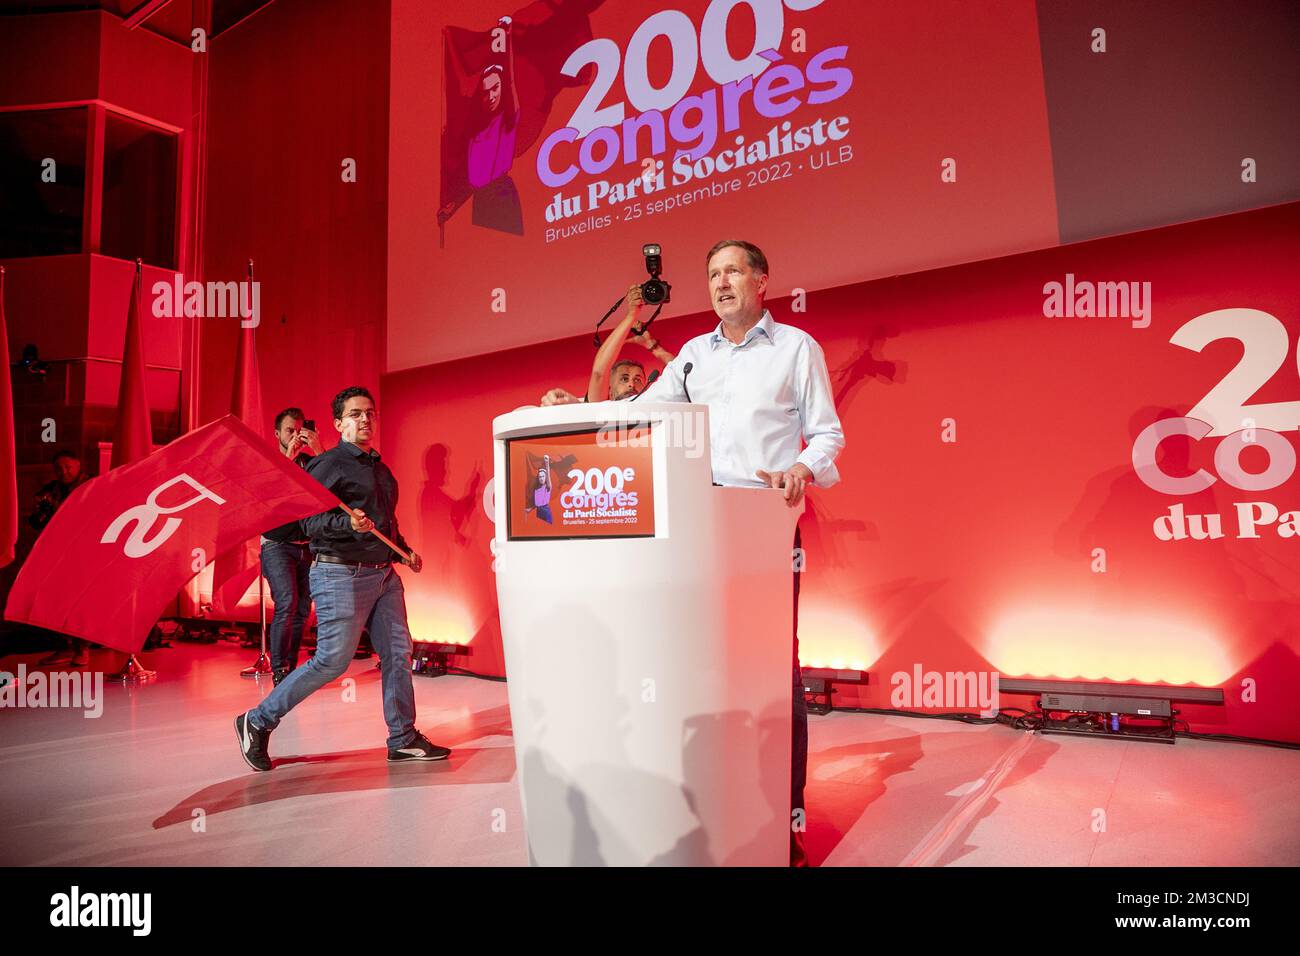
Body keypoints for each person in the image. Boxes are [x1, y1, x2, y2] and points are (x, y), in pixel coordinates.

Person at [541, 240, 846, 865]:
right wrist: (584, 408)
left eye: (733, 271)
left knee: (772, 673)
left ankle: (781, 824)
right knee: (707, 666)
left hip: (763, 525)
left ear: (762, 279)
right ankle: (719, 808)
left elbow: (827, 434)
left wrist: (801, 468)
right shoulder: (693, 357)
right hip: (702, 530)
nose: (722, 282)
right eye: (713, 274)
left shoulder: (796, 348)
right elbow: (642, 411)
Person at [235, 387, 451, 771]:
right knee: (331, 662)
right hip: (339, 574)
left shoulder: (380, 471)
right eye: (354, 414)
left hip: (384, 576)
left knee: (398, 655)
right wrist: (346, 522)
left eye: (369, 412)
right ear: (338, 424)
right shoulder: (328, 465)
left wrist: (403, 550)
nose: (364, 419)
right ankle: (257, 720)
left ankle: (402, 739)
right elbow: (309, 522)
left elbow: (385, 525)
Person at [261, 407, 324, 685]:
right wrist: (288, 459)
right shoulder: (267, 463)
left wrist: (319, 449)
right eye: (290, 430)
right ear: (277, 434)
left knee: (301, 608)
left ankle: (290, 666)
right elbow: (272, 496)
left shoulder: (310, 462)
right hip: (277, 545)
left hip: (306, 546)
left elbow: (333, 484)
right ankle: (278, 669)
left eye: (300, 429)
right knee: (286, 602)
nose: (296, 435)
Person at [31, 450, 92, 667]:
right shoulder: (51, 491)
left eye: (68, 467)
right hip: (57, 554)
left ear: (78, 464)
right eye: (59, 468)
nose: (64, 472)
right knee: (58, 601)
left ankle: (82, 648)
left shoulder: (91, 486)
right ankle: (64, 646)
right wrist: (43, 509)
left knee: (79, 602)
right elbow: (36, 523)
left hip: (84, 553)